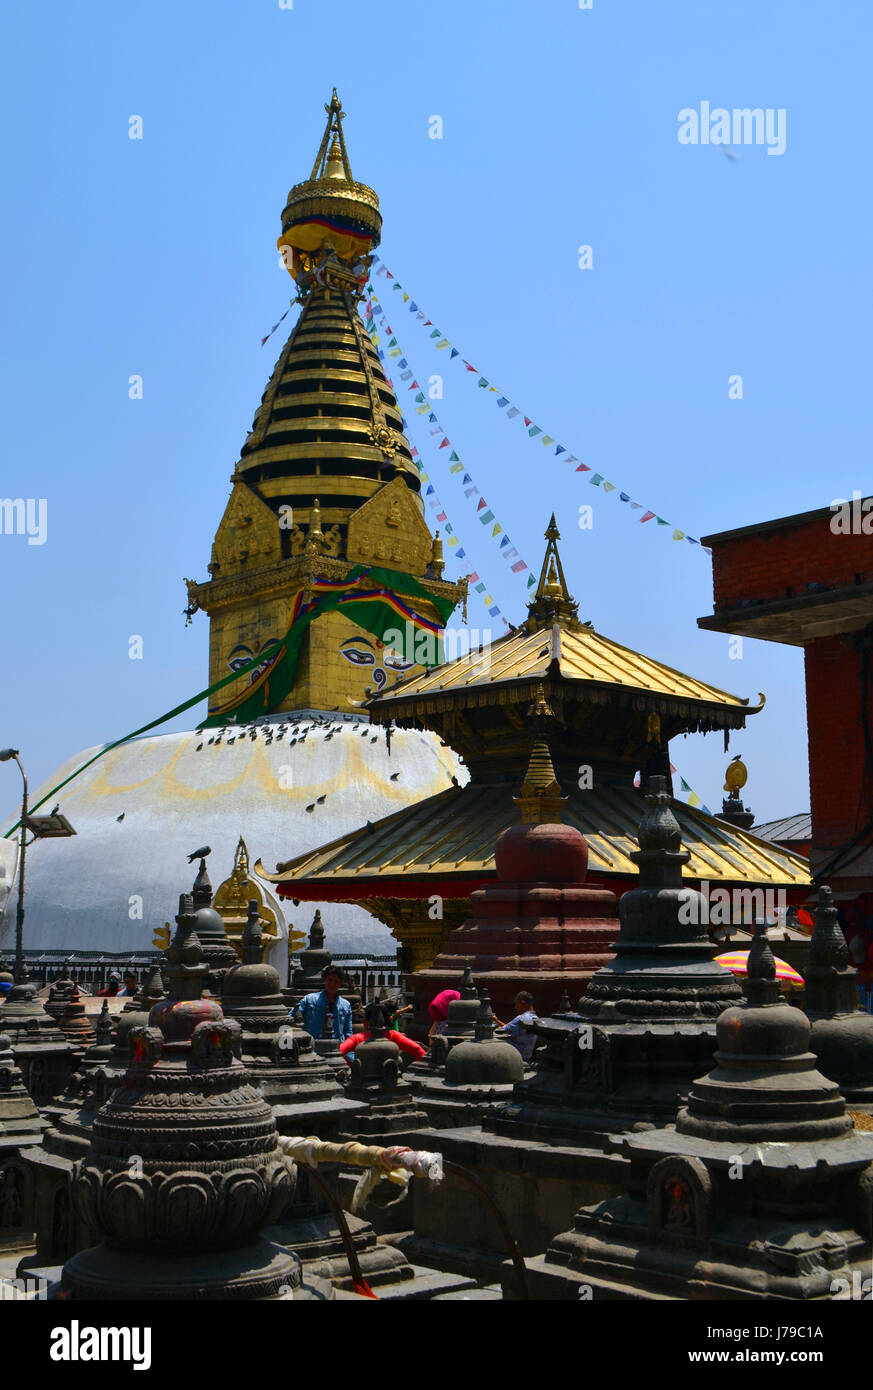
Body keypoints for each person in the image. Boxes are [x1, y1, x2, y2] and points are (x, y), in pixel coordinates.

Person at [339, 1000, 427, 1066]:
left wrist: (351, 1066)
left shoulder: (358, 1038)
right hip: (390, 1082)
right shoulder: (394, 1036)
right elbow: (419, 1051)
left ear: (366, 1021)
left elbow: (339, 1053)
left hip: (363, 1083)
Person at [291, 964, 354, 1043]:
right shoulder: (309, 1000)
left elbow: (348, 1033)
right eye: (330, 980)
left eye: (336, 981)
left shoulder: (346, 1005)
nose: (332, 984)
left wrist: (348, 1052)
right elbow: (292, 1017)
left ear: (340, 983)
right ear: (324, 980)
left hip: (337, 1049)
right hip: (314, 1047)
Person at [494, 991, 538, 1063]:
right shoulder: (535, 1018)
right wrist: (497, 1020)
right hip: (526, 1058)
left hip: (514, 1057)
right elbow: (508, 1027)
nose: (515, 1007)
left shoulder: (520, 1018)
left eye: (516, 1004)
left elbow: (501, 1030)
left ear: (522, 1003)